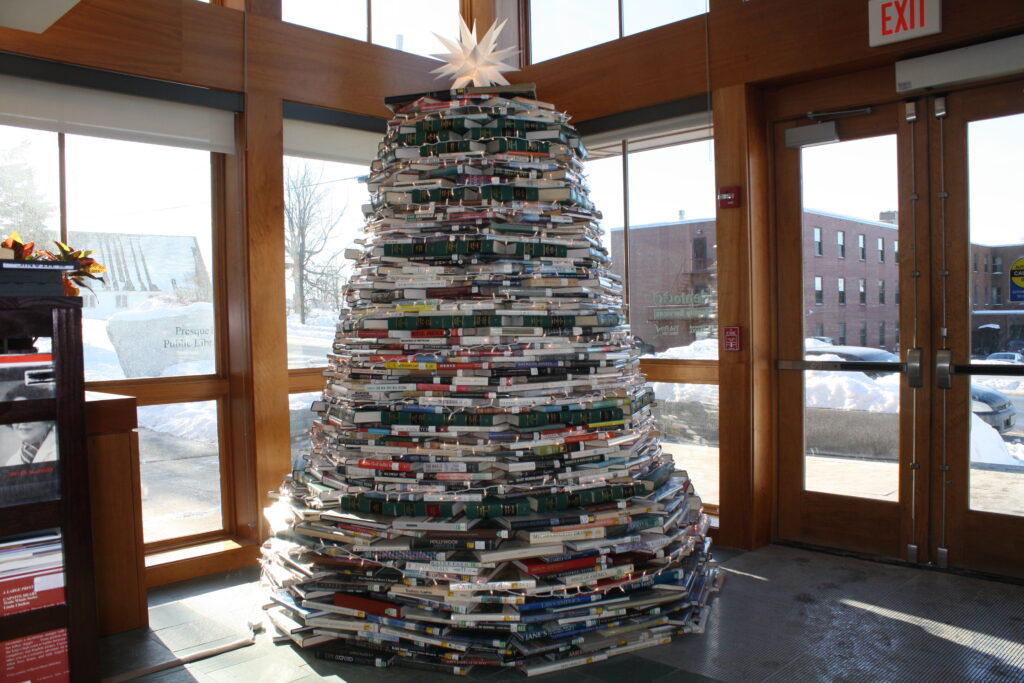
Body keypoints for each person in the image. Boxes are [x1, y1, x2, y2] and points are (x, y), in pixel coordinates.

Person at [3, 383, 57, 467]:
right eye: (16, 415)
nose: (23, 422)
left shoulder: (61, 449)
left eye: (30, 414)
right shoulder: (11, 462)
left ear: (48, 421)